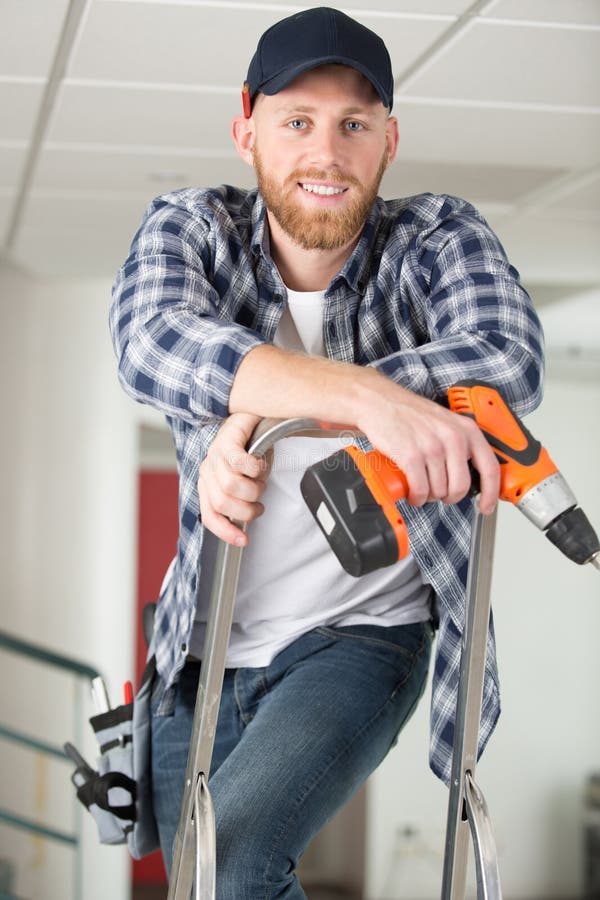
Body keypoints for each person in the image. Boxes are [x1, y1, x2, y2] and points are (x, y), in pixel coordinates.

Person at [110, 6, 544, 895]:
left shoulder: (435, 238)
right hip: (201, 640)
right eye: (297, 122)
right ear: (246, 132)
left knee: (229, 861)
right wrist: (365, 402)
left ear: (389, 140)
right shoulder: (190, 228)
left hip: (361, 637)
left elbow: (508, 358)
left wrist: (260, 400)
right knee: (183, 870)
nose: (326, 152)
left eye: (354, 125)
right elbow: (149, 342)